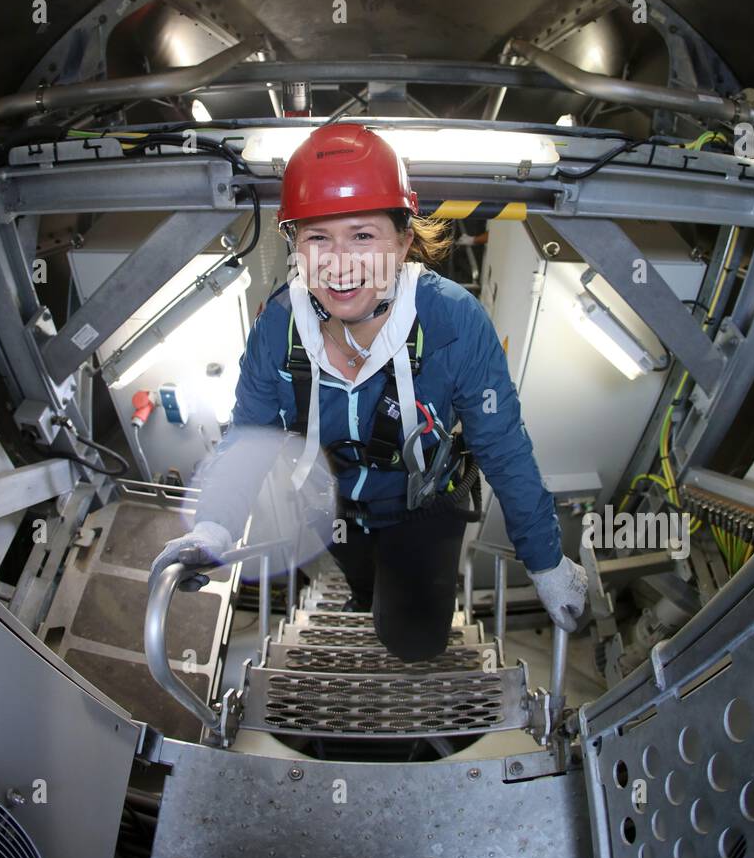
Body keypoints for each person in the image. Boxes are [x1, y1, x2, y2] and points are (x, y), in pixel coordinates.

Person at [150, 121, 588, 662]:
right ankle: (367, 597)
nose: (338, 264)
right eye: (317, 237)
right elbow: (249, 436)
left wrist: (545, 561)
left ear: (404, 240)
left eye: (363, 235)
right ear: (294, 245)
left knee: (412, 639)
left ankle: (405, 617)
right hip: (330, 507)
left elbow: (501, 444)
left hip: (422, 509)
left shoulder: (453, 321)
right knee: (363, 588)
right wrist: (214, 525)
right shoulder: (279, 327)